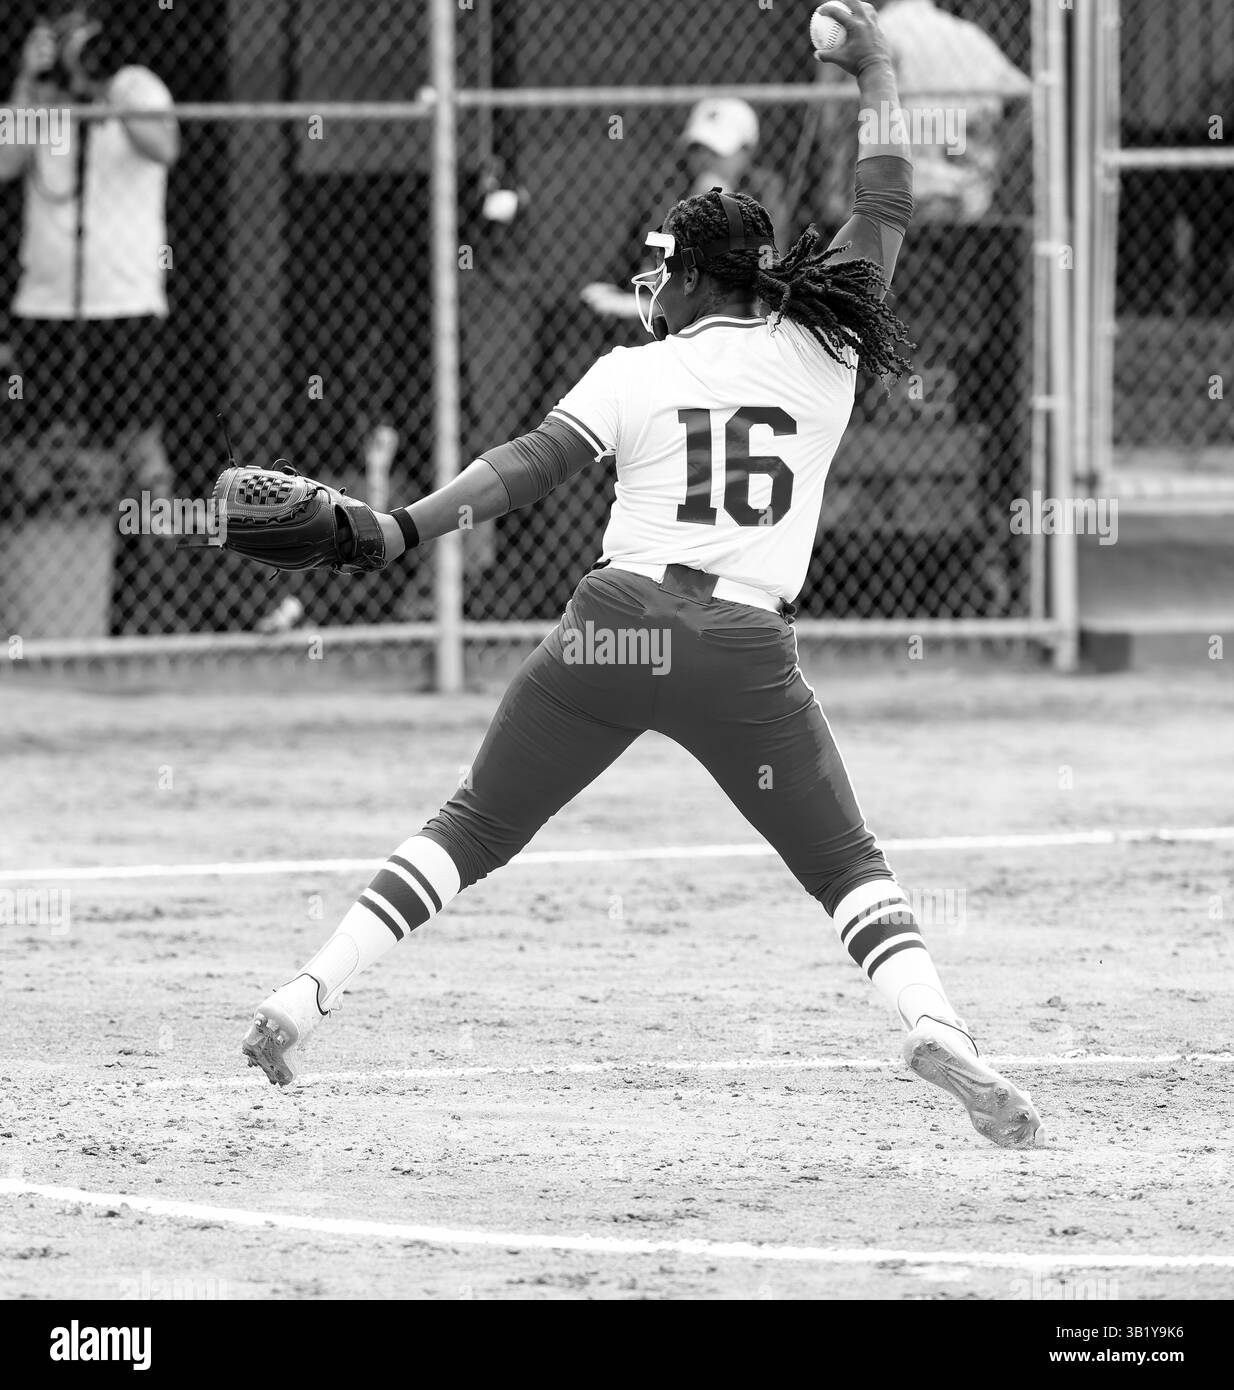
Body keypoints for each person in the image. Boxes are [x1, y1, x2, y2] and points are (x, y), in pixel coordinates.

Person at [241, 3, 1042, 1150]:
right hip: (740, 651)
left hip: (613, 628)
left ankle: (300, 998)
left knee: (473, 824)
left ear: (694, 281)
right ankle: (939, 1030)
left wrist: (396, 532)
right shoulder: (824, 346)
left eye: (665, 267)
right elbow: (884, 202)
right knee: (847, 869)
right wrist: (872, 73)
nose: (652, 281)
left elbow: (520, 469)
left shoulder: (635, 365)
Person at [0, 4, 178, 630]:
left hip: (124, 300)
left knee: (138, 446)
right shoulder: (42, 102)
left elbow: (165, 144)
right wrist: (30, 82)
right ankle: (46, 609)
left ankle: (155, 601)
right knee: (40, 444)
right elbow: (3, 165)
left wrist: (102, 94)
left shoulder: (134, 86)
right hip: (46, 301)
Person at [580, 96, 788, 324]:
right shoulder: (668, 187)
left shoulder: (766, 192)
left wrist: (723, 208)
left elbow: (765, 267)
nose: (704, 159)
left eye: (716, 151)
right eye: (697, 149)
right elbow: (643, 256)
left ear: (746, 151)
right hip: (662, 300)